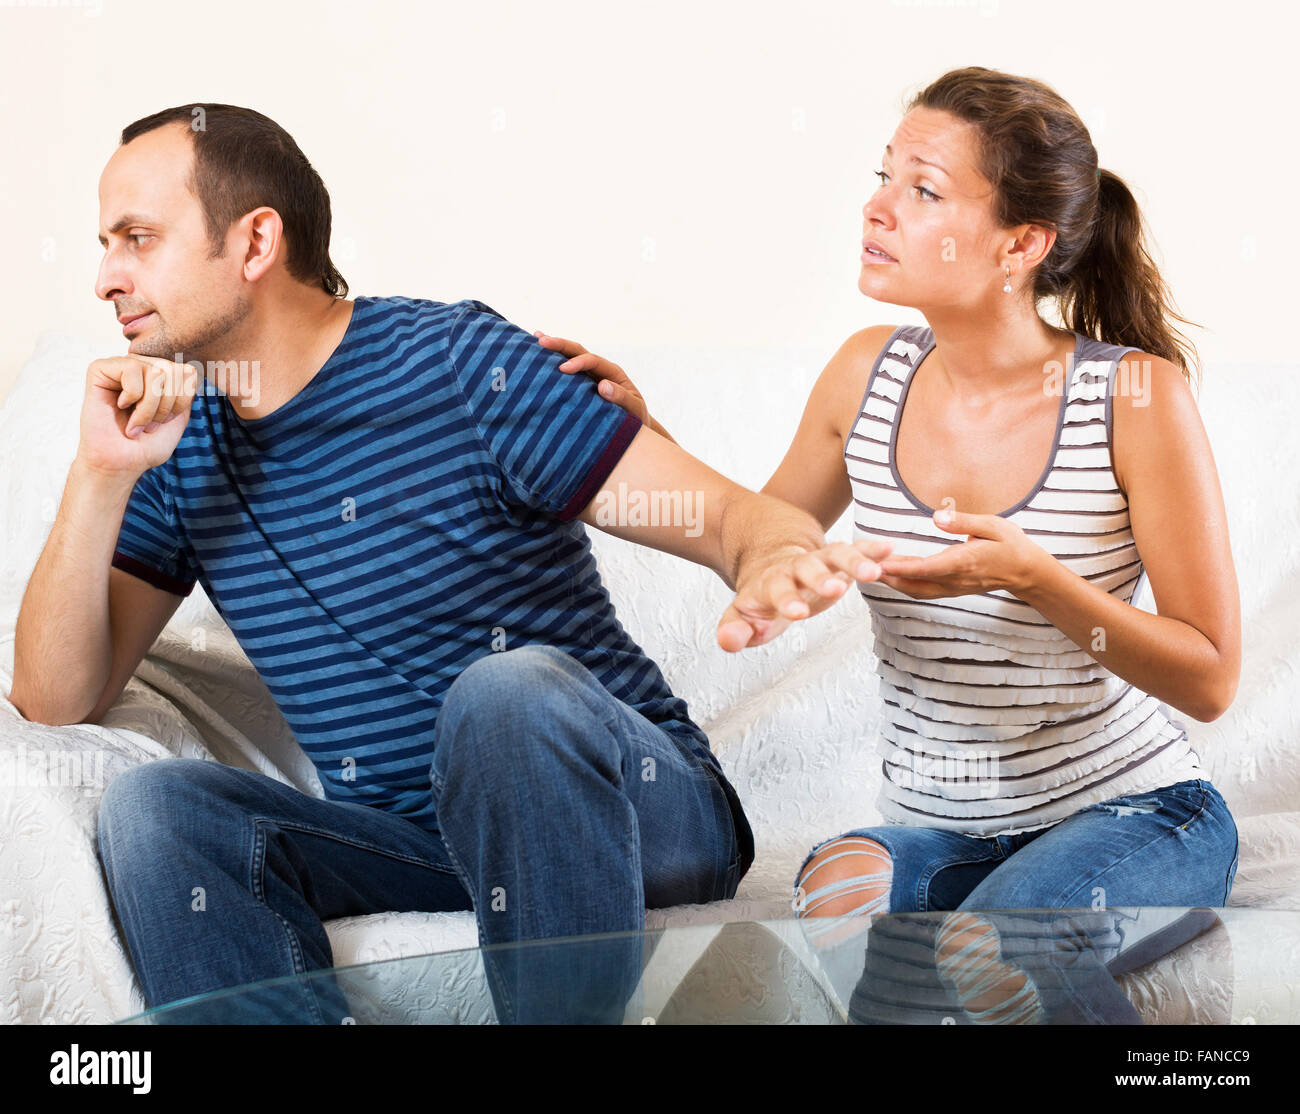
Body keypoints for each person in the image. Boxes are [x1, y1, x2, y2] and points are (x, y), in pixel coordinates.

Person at [6, 103, 894, 1024]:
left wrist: (773, 554)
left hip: (637, 813)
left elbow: (721, 519)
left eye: (137, 239)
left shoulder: (462, 367)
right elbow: (53, 698)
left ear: (255, 241)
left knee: (505, 693)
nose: (108, 277)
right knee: (159, 810)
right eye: (106, 245)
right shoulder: (177, 446)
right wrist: (100, 471)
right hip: (422, 843)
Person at [535, 66, 1242, 1023]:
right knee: (838, 885)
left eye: (923, 190)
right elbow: (760, 536)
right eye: (883, 176)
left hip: (1137, 815)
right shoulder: (867, 374)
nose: (876, 208)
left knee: (999, 945)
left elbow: (1208, 677)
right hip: (946, 828)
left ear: (1021, 245)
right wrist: (642, 433)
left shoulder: (1133, 399)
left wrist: (1032, 578)